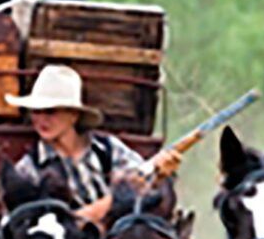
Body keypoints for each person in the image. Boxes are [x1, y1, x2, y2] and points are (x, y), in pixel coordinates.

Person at [11, 64, 180, 225]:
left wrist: (158, 174)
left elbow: (140, 180)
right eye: (36, 112)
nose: (41, 120)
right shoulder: (29, 168)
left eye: (50, 112)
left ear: (73, 115)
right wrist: (108, 204)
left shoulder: (108, 149)